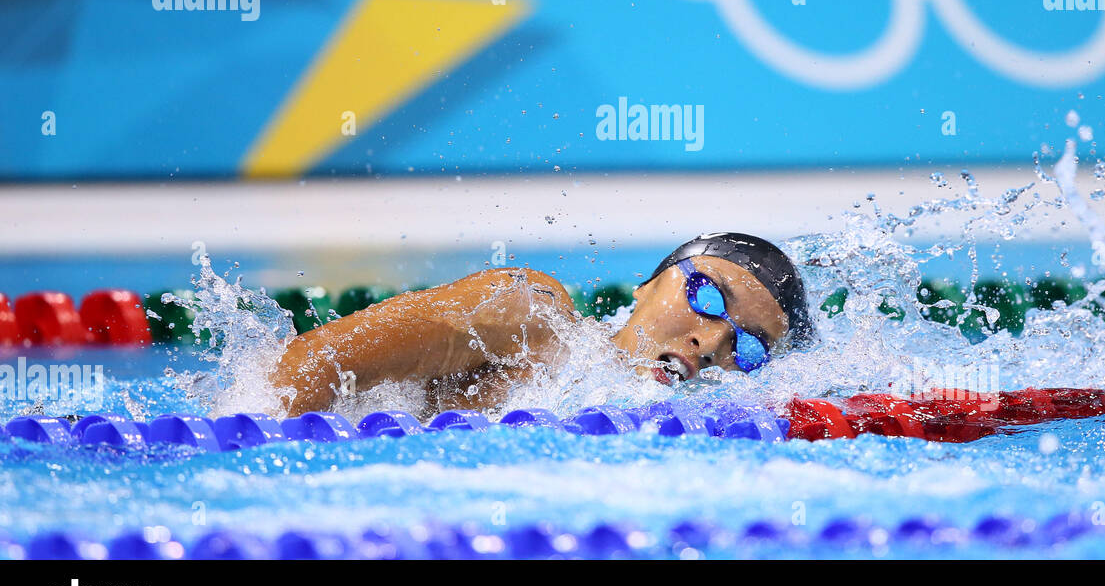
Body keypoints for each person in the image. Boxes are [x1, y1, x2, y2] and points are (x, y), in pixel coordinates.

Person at [270, 232, 812, 416]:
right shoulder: (532, 318)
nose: (713, 340)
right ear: (649, 284)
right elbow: (315, 363)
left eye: (750, 346)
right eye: (710, 296)